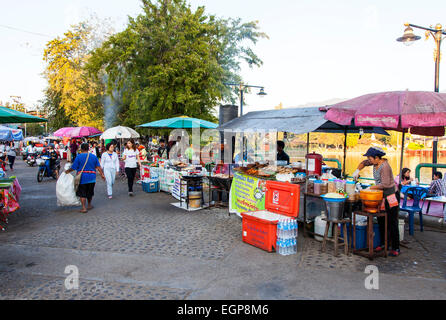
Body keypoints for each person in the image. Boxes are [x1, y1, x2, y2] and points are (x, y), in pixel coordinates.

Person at [352, 146, 400, 257]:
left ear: (377, 158)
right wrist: (357, 170)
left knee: (392, 222)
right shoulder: (373, 162)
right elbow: (363, 163)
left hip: (391, 196)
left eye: (370, 158)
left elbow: (385, 184)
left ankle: (395, 247)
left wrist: (370, 188)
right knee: (381, 220)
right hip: (381, 196)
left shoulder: (385, 167)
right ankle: (384, 244)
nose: (369, 160)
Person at [65, 143, 105, 213]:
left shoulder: (79, 157)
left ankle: (84, 207)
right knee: (90, 192)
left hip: (82, 178)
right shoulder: (93, 156)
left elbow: (74, 167)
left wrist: (67, 171)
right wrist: (102, 175)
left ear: (81, 149)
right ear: (88, 149)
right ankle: (89, 205)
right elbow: (98, 167)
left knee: (82, 193)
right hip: (92, 177)